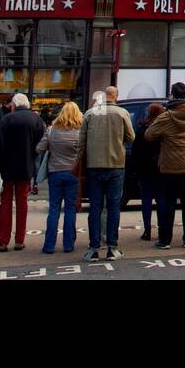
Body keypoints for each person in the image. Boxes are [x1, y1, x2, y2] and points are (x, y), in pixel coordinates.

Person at [146, 82, 185, 250]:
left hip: (169, 165)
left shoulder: (166, 116)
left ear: (172, 95)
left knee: (168, 203)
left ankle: (165, 240)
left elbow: (149, 135)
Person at [77, 86, 134, 261]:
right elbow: (131, 137)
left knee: (95, 207)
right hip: (116, 164)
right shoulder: (122, 113)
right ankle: (112, 247)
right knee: (113, 207)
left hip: (94, 165)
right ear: (116, 96)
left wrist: (81, 159)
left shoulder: (90, 113)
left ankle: (94, 248)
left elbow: (81, 141)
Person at [0, 93, 45, 252]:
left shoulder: (7, 120)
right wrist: (33, 159)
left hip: (7, 167)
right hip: (26, 166)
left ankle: (3, 241)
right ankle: (20, 240)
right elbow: (40, 144)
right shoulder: (36, 120)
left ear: (14, 105)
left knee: (5, 203)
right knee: (22, 203)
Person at [36, 101, 82, 254]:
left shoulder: (51, 130)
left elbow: (39, 148)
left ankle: (49, 245)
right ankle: (68, 245)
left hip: (55, 171)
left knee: (54, 209)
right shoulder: (80, 131)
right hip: (73, 173)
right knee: (70, 209)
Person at [131, 102, 165, 242]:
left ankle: (147, 229)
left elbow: (135, 151)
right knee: (161, 200)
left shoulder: (141, 129)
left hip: (145, 168)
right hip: (160, 167)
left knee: (146, 199)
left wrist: (135, 169)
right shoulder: (163, 130)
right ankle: (162, 229)